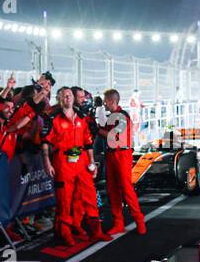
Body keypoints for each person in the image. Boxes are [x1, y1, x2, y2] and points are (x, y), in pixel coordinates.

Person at [42, 86, 110, 247]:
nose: (68, 98)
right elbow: (45, 141)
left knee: (90, 195)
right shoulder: (53, 118)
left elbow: (88, 142)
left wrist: (92, 162)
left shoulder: (81, 117)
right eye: (64, 96)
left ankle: (96, 231)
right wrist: (47, 162)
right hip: (62, 161)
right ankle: (65, 233)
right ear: (59, 99)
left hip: (82, 161)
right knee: (65, 199)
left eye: (69, 95)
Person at [96, 89, 146, 235]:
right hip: (112, 155)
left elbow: (114, 137)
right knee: (113, 190)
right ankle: (119, 223)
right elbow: (106, 131)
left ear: (112, 101)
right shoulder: (113, 116)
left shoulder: (122, 116)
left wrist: (97, 130)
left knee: (126, 188)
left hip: (122, 154)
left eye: (105, 101)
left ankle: (139, 220)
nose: (104, 103)